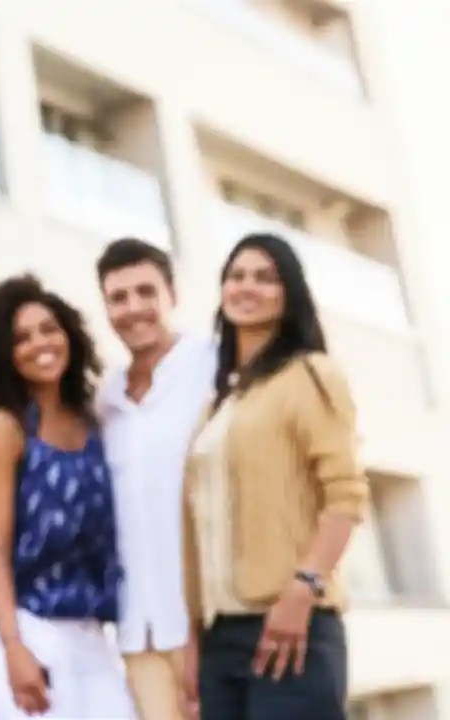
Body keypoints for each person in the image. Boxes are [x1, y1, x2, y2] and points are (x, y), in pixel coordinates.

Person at [183, 233, 367, 720]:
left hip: (292, 625)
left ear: (290, 294)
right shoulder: (218, 403)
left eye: (266, 277)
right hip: (222, 633)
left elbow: (345, 496)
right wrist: (195, 636)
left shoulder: (311, 374)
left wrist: (301, 591)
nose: (247, 286)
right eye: (237, 276)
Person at [0, 273, 134, 719]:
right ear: (5, 353)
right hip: (25, 625)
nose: (41, 343)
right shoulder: (2, 428)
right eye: (22, 337)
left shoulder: (92, 422)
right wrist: (13, 646)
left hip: (90, 630)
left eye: (49, 329)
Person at [94, 238, 216, 720]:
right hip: (136, 630)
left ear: (173, 294)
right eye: (118, 298)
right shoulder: (105, 399)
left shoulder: (213, 363)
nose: (133, 308)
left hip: (209, 622)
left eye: (146, 291)